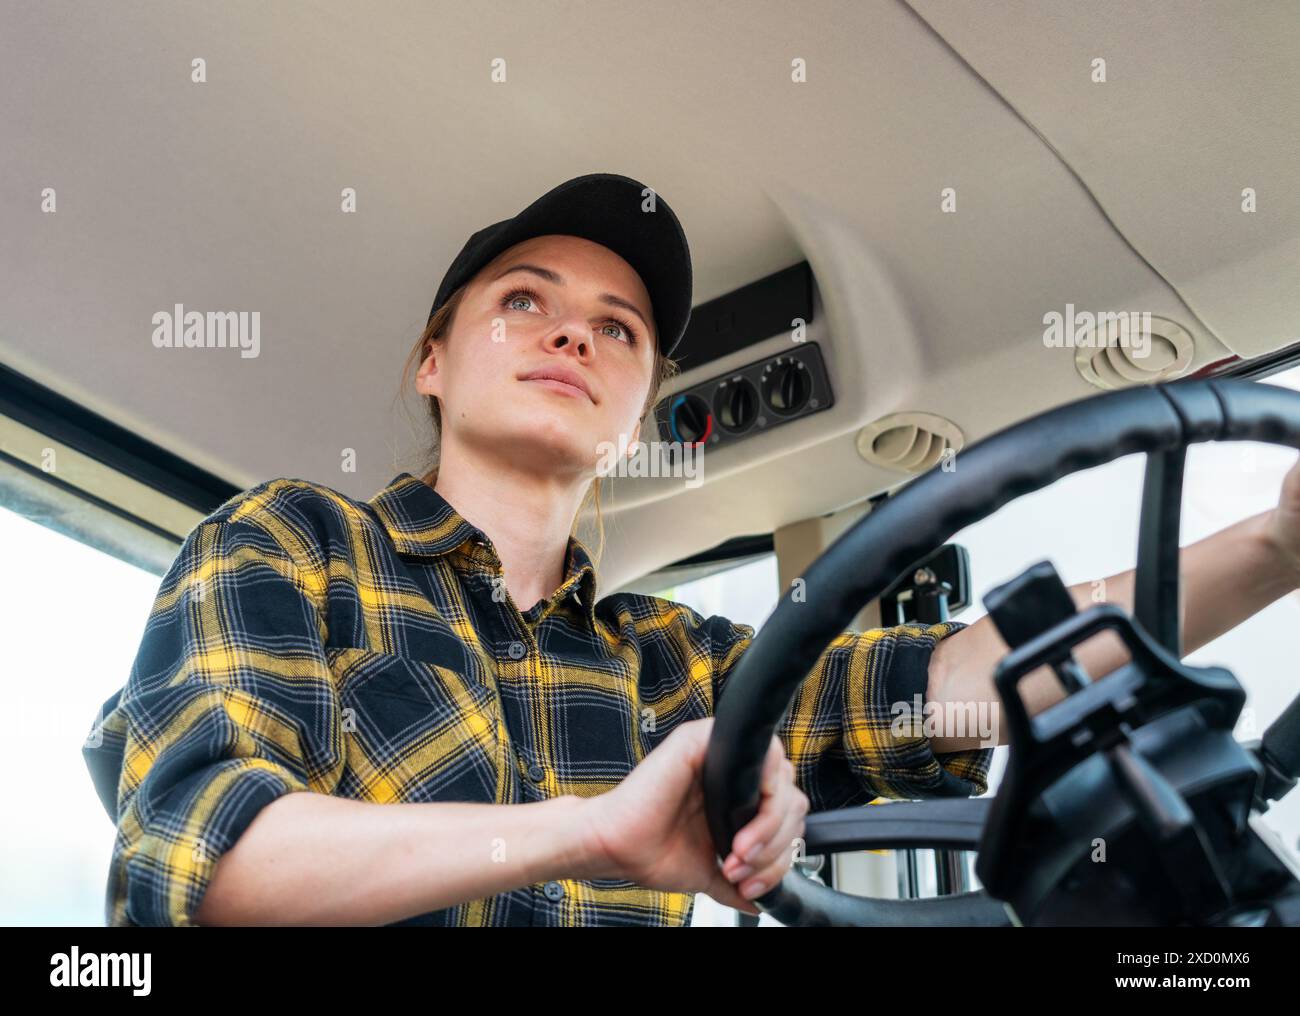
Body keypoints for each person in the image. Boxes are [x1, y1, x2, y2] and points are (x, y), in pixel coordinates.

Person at [83, 173, 1300, 927]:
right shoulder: (289, 543)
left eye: (617, 328)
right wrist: (596, 828)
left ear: (629, 418)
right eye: (524, 298)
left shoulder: (673, 662)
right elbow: (204, 862)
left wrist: (1273, 540)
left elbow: (951, 685)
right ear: (432, 361)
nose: (574, 330)